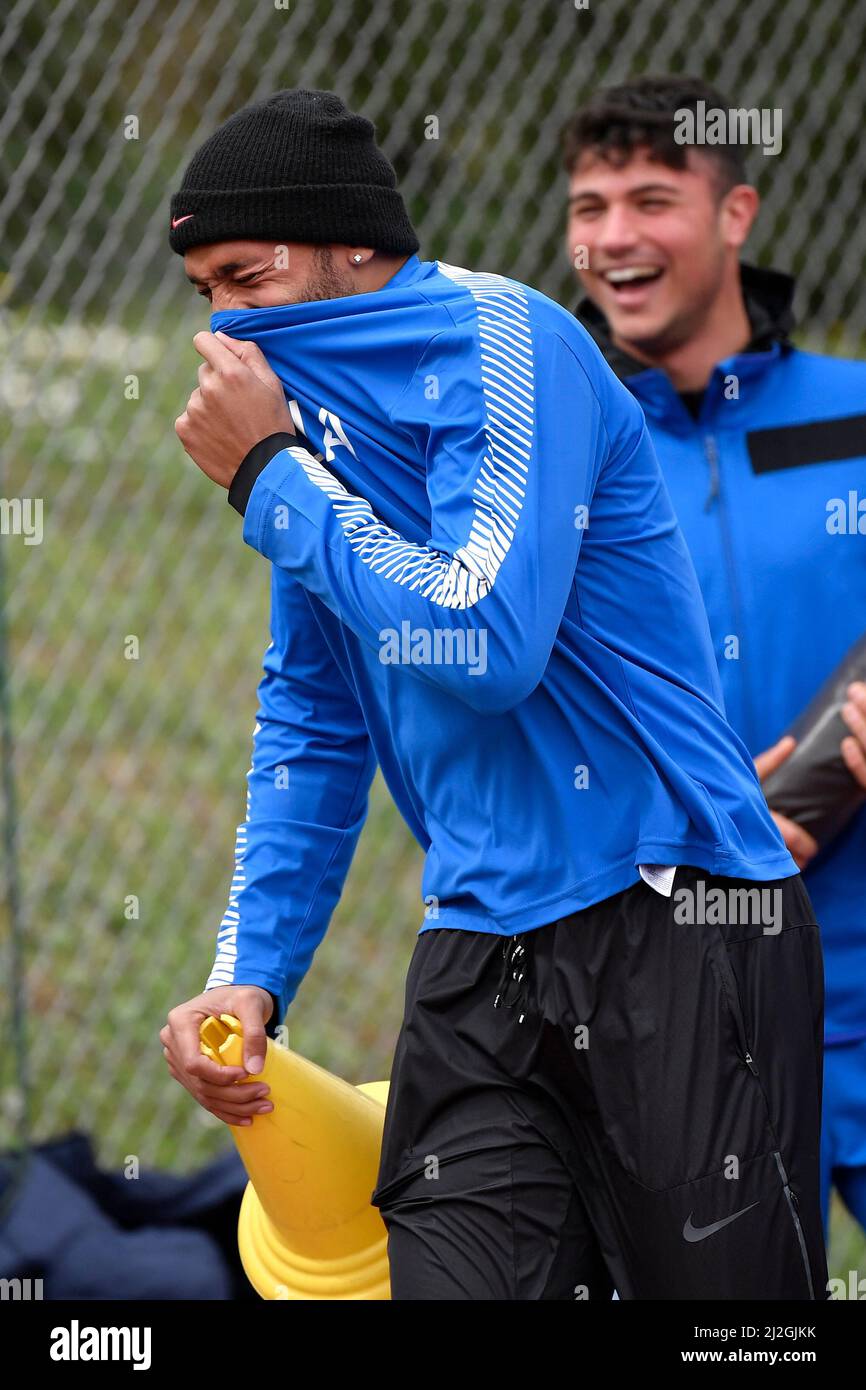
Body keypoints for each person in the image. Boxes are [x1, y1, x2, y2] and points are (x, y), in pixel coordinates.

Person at [160, 88, 828, 1299]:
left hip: (674, 919)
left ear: (350, 247)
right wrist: (248, 971)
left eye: (246, 279)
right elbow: (311, 719)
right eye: (202, 293)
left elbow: (485, 640)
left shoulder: (503, 342)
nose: (224, 333)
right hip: (474, 949)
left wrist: (270, 475)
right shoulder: (314, 433)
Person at [562, 73, 866, 1244]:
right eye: (589, 207)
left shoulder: (851, 417)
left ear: (735, 214)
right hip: (663, 1023)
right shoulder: (550, 451)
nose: (613, 236)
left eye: (651, 198)